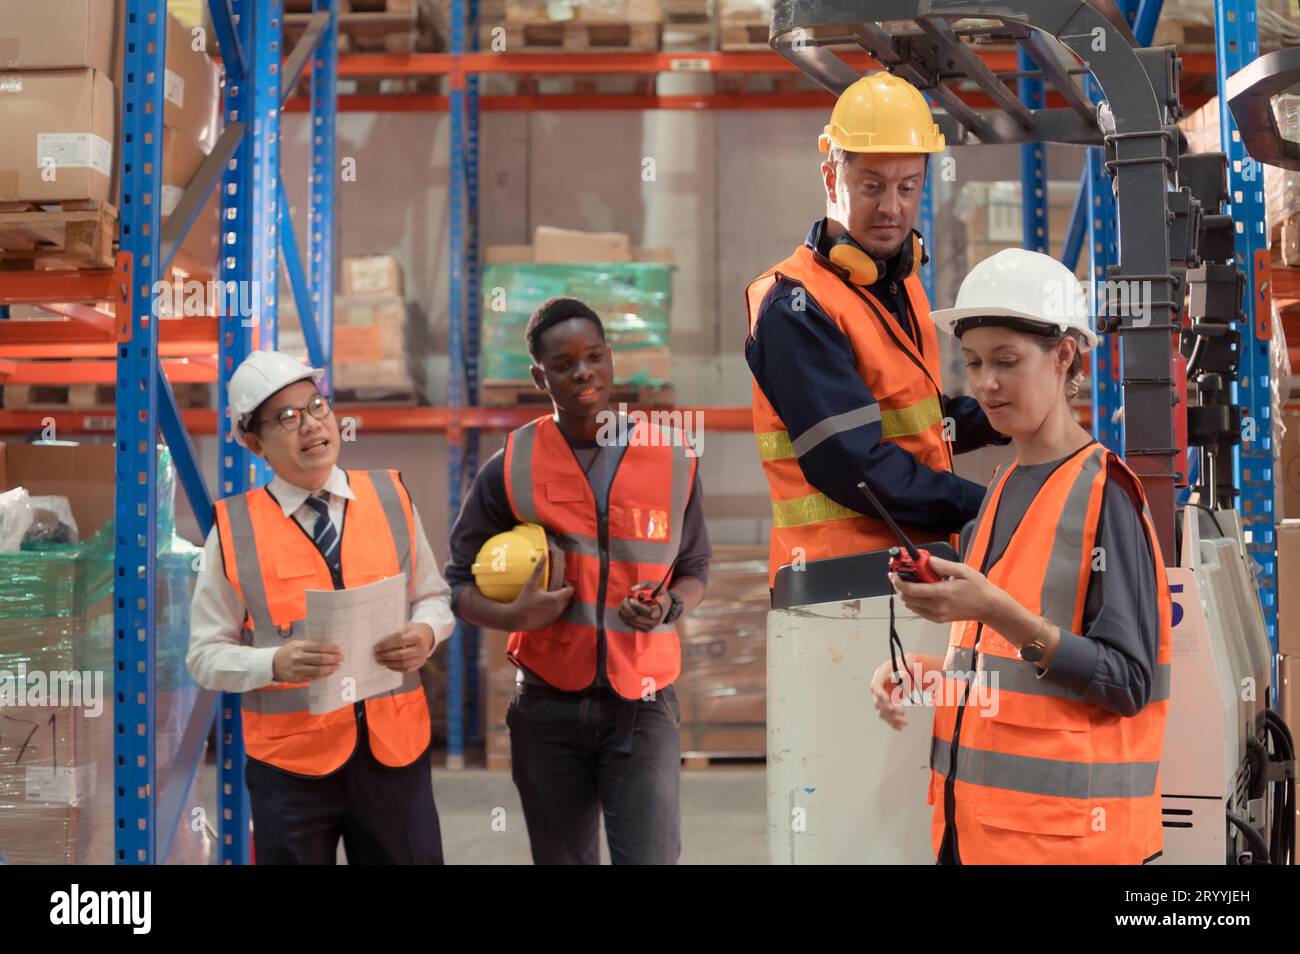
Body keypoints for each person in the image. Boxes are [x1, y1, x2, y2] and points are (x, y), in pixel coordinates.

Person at [869, 249, 1173, 865]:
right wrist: (926, 674)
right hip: (977, 837)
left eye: (1006, 362)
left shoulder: (1104, 495)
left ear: (1063, 356)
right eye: (973, 363)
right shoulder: (1003, 488)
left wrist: (998, 610)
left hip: (1066, 846)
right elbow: (1005, 666)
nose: (984, 384)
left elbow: (1128, 682)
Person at [444, 296, 711, 865]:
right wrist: (512, 617)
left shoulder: (674, 458)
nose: (583, 372)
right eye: (563, 365)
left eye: (593, 356)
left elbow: (695, 569)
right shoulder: (509, 467)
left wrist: (669, 608)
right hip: (546, 707)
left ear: (611, 360)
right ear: (540, 377)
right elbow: (457, 584)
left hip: (642, 704)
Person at [187, 350, 456, 864]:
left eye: (315, 406)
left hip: (393, 753)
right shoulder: (234, 531)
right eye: (287, 418)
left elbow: (434, 599)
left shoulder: (391, 496)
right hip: (291, 768)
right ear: (254, 442)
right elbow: (204, 655)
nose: (310, 425)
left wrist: (425, 633)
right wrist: (272, 663)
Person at [745, 71, 1008, 588]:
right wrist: (990, 506)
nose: (892, 208)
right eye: (872, 186)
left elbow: (915, 420)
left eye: (908, 187)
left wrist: (1005, 410)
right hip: (836, 584)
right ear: (830, 179)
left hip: (908, 569)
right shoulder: (794, 305)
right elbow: (852, 462)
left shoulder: (897, 281)